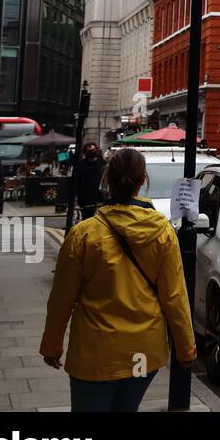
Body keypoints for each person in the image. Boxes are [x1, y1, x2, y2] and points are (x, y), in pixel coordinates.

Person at [39, 148, 196, 412]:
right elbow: (175, 296)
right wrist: (186, 349)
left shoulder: (84, 234)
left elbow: (61, 299)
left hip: (95, 353)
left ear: (107, 180)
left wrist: (52, 345)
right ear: (142, 180)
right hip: (143, 352)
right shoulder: (163, 232)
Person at [70, 143, 104, 221]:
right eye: (89, 150)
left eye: (93, 150)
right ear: (85, 152)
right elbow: (77, 182)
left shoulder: (102, 164)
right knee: (87, 219)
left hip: (100, 197)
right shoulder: (80, 165)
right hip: (85, 198)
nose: (92, 152)